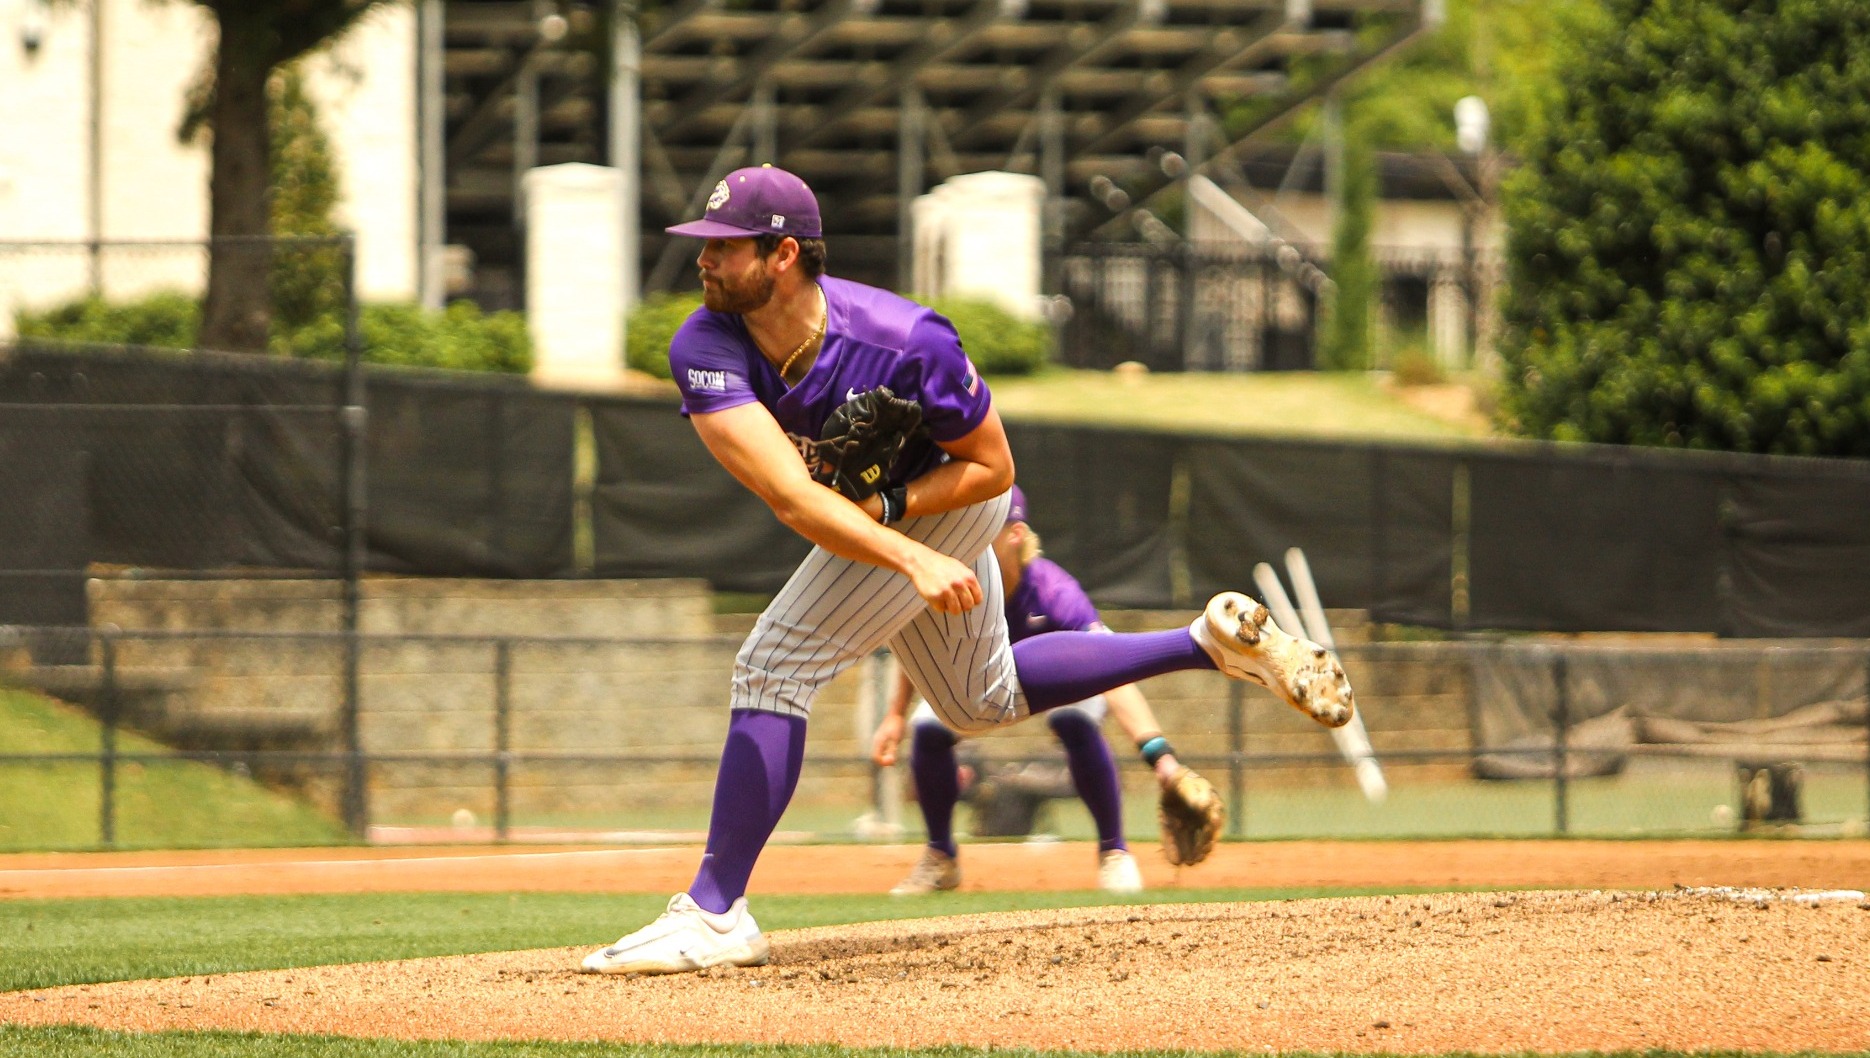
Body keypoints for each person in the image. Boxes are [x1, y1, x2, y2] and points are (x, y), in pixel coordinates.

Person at [579, 165, 1353, 976]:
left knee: (773, 667)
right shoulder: (705, 343)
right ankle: (1204, 644)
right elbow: (791, 497)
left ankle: (714, 912)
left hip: (954, 500)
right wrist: (900, 546)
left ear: (784, 255)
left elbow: (993, 469)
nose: (703, 259)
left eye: (725, 245)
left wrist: (905, 529)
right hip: (884, 522)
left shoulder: (906, 340)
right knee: (978, 702)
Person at [870, 485, 1201, 895]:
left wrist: (1161, 759)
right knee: (928, 730)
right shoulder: (958, 578)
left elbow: (1113, 672)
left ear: (1015, 534)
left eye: (985, 526)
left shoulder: (1053, 592)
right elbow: (924, 648)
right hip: (980, 685)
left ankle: (1114, 851)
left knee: (1074, 719)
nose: (971, 535)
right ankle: (940, 858)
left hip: (1050, 682)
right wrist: (896, 715)